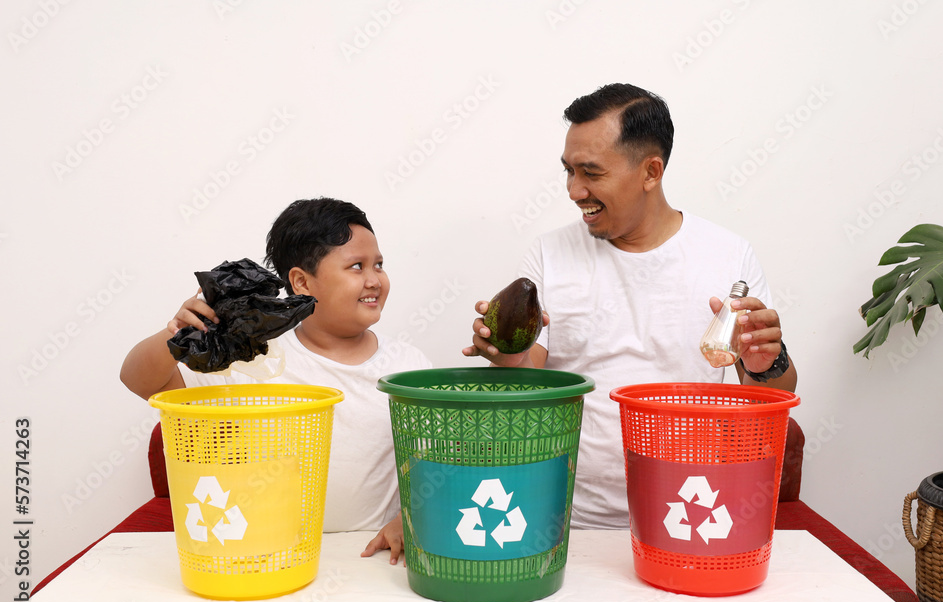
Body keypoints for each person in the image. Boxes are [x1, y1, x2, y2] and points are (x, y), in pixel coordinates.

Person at [463, 83, 797, 529]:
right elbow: (529, 382)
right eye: (568, 171)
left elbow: (772, 400)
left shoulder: (728, 256)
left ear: (651, 171)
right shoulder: (549, 255)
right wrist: (506, 356)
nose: (574, 190)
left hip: (691, 514)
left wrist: (764, 365)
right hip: (566, 516)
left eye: (591, 173)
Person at [121, 197, 431, 564]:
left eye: (379, 265)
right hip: (270, 551)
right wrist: (175, 334)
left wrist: (407, 519)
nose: (374, 279)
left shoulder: (409, 368)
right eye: (356, 266)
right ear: (301, 281)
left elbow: (443, 459)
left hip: (369, 555)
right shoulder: (253, 356)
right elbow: (138, 379)